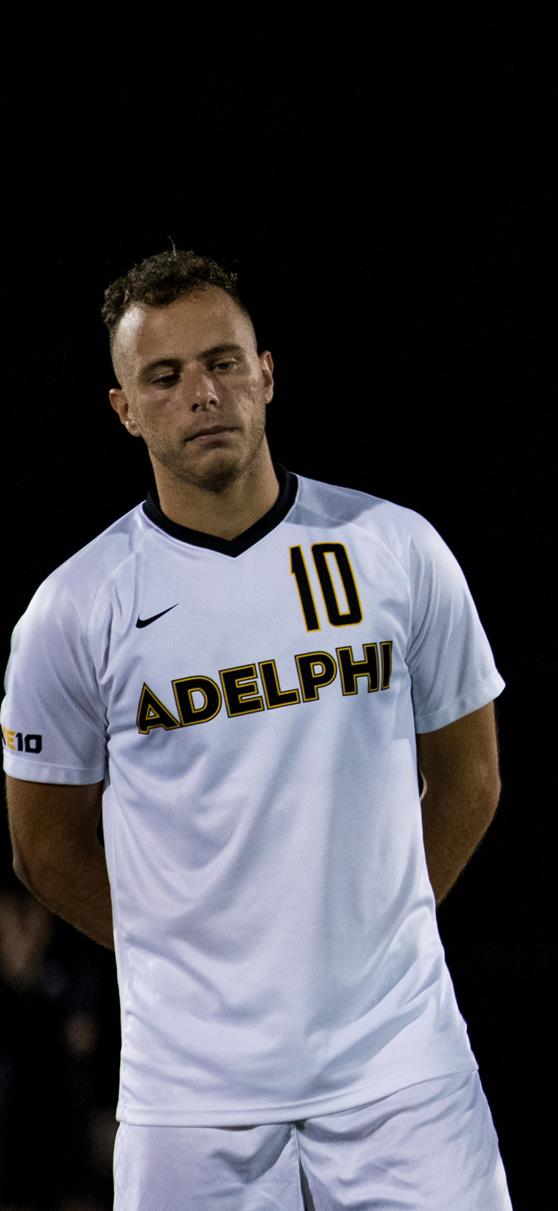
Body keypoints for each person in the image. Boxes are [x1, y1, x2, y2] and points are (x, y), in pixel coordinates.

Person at [2, 250, 512, 1209]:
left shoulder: (396, 548)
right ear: (125, 409)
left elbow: (471, 777)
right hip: (189, 1092)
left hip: (403, 1067)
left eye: (223, 362)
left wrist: (374, 933)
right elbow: (44, 845)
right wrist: (182, 961)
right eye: (165, 376)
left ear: (266, 374)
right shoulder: (74, 609)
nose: (202, 392)